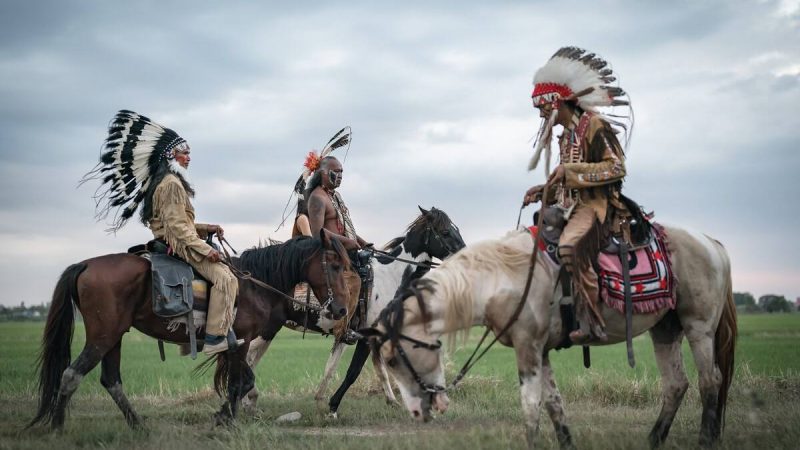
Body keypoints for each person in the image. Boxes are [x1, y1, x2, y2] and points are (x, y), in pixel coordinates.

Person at [86, 110, 242, 356]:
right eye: (184, 153)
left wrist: (206, 228)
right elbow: (177, 228)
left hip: (174, 239)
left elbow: (176, 221)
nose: (189, 158)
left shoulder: (167, 181)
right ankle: (214, 338)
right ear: (171, 155)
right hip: (179, 245)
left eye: (189, 153)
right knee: (226, 279)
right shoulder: (171, 184)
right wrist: (207, 249)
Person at [521, 47, 633, 344]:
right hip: (570, 206)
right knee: (531, 240)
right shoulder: (566, 136)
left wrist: (569, 174)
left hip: (596, 207)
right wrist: (544, 191)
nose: (542, 113)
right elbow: (566, 182)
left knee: (570, 246)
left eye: (544, 106)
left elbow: (617, 167)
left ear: (559, 103)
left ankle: (593, 320)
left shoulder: (594, 125)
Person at [305, 156, 368, 341]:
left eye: (342, 172)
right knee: (354, 281)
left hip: (344, 249)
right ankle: (343, 329)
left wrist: (362, 242)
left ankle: (362, 319)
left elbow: (344, 227)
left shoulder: (335, 196)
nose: (340, 176)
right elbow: (318, 234)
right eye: (336, 172)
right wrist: (346, 242)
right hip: (330, 253)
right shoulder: (317, 198)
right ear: (323, 173)